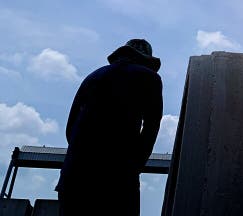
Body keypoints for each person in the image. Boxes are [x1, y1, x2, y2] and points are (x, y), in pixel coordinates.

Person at [56, 39, 163, 215]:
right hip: (117, 178)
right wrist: (134, 166)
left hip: (73, 176)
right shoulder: (149, 77)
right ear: (148, 60)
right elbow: (152, 126)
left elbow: (70, 128)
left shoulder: (93, 76)